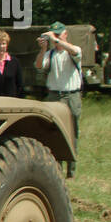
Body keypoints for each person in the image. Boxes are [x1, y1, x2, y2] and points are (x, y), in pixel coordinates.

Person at [37, 21, 82, 173]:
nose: (55, 38)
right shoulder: (50, 54)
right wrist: (43, 49)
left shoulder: (73, 50)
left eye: (58, 34)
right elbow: (39, 66)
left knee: (72, 131)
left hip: (71, 95)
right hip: (54, 95)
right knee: (53, 131)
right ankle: (57, 167)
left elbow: (76, 52)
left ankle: (72, 169)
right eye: (54, 35)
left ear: (65, 34)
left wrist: (56, 40)